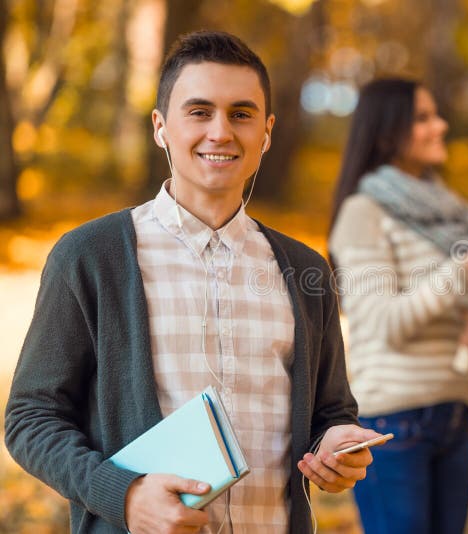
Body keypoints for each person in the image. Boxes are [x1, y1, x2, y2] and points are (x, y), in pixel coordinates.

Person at [4, 30, 380, 534]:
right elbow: (31, 418)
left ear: (266, 132)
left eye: (241, 114)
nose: (221, 132)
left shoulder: (304, 269)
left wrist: (334, 447)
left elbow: (330, 412)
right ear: (161, 127)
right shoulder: (90, 256)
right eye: (199, 112)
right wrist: (125, 494)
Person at [328, 78, 468, 534]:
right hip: (393, 426)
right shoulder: (363, 213)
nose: (440, 125)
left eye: (435, 114)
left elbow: (460, 321)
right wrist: (463, 267)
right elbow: (384, 323)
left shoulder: (452, 215)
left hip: (455, 418)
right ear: (388, 131)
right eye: (423, 118)